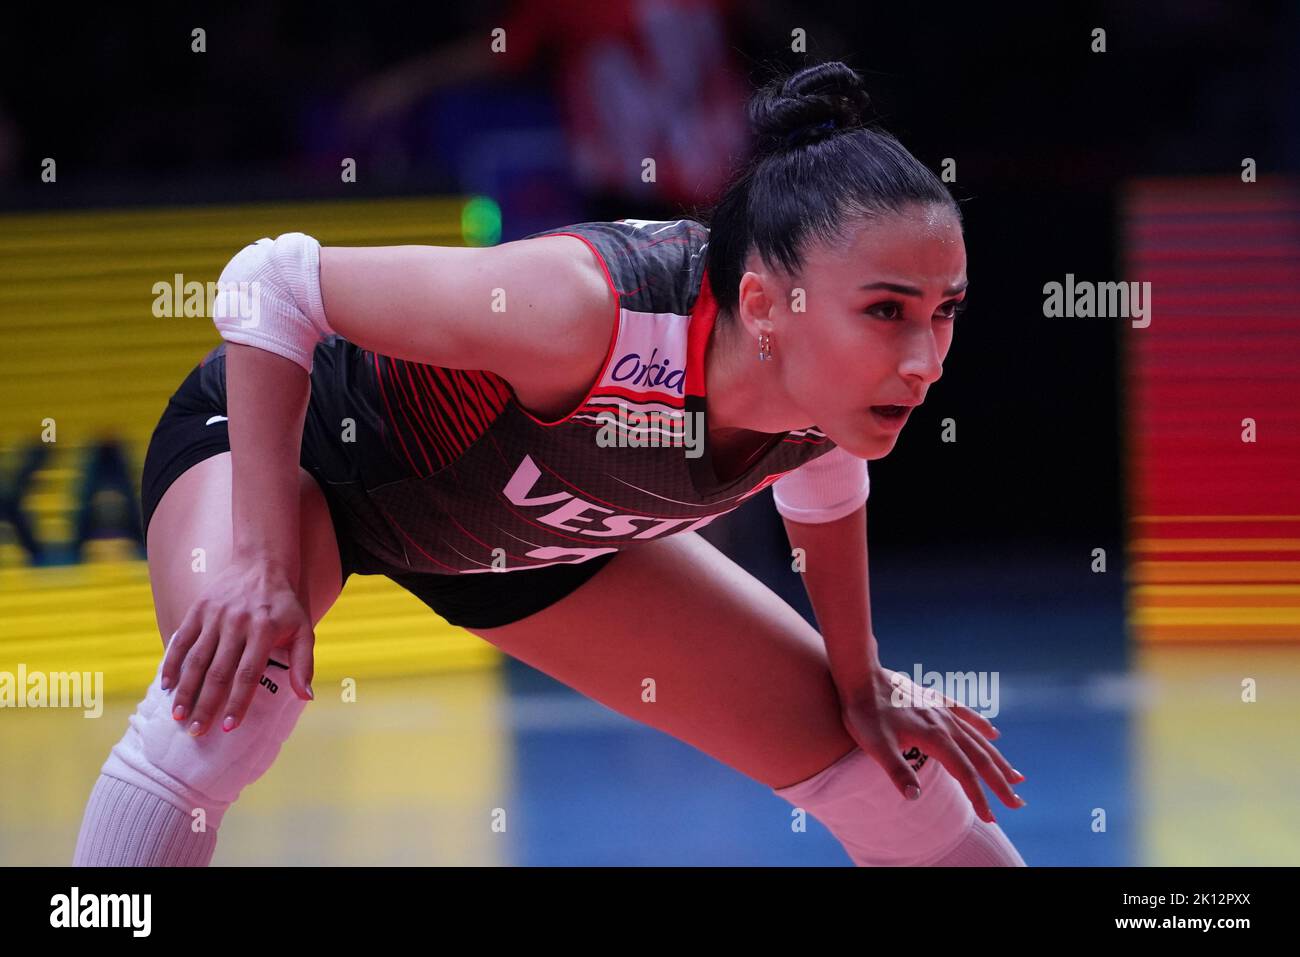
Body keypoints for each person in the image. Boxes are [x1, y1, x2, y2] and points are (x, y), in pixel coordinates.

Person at [73, 61, 1027, 867]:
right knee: (232, 695)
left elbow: (825, 491)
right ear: (765, 303)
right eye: (889, 309)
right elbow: (269, 280)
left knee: (885, 765)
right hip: (307, 454)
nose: (926, 357)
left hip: (521, 538)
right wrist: (258, 562)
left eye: (947, 309)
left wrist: (860, 682)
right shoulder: (582, 311)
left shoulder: (827, 393)